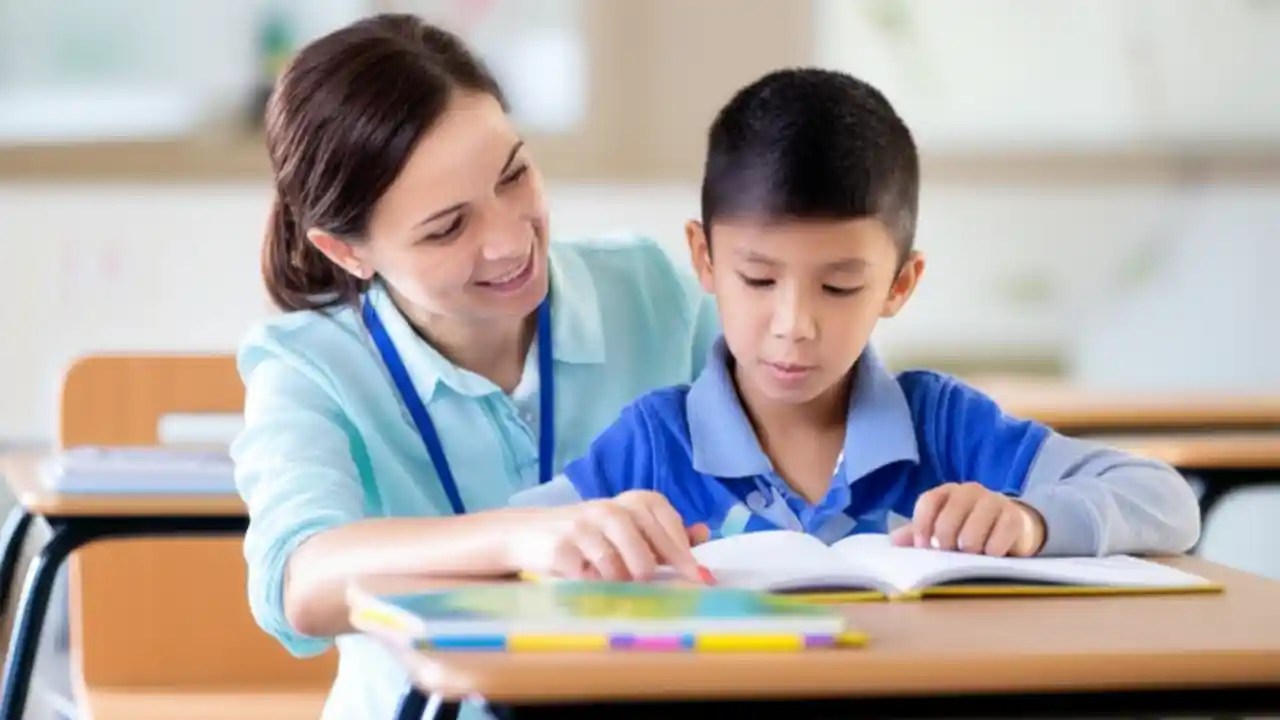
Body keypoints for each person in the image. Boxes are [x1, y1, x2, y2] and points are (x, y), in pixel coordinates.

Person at [232, 14, 716, 719]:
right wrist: (527, 536)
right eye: (448, 228)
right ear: (347, 252)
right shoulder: (308, 366)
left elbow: (813, 449)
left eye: (514, 175)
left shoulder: (650, 291)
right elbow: (300, 583)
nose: (510, 240)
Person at [512, 68, 1202, 559]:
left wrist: (1030, 521)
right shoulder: (655, 445)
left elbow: (1164, 499)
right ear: (705, 259)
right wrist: (589, 539)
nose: (793, 323)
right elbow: (508, 535)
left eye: (839, 288)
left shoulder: (946, 427)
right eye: (757, 278)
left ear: (900, 285)